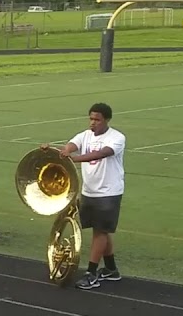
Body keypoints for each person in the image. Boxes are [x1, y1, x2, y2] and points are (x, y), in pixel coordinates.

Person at [42, 102, 126, 290]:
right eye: (91, 119)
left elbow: (104, 153)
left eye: (97, 119)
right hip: (89, 190)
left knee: (100, 231)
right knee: (100, 230)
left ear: (107, 120)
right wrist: (61, 151)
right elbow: (72, 145)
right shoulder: (85, 135)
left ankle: (91, 273)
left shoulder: (117, 137)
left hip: (108, 191)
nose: (92, 123)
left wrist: (76, 158)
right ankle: (111, 269)